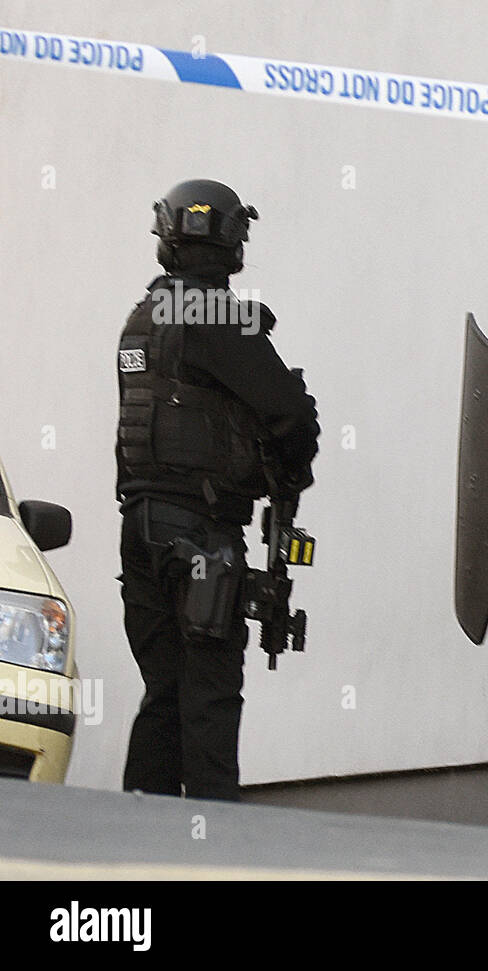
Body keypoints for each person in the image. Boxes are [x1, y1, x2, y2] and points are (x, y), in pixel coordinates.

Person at [117, 179, 319, 801]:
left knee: (164, 696)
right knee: (208, 702)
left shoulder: (145, 316)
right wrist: (292, 458)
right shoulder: (212, 315)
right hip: (200, 535)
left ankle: (136, 850)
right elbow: (289, 413)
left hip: (142, 531)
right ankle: (216, 854)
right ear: (234, 243)